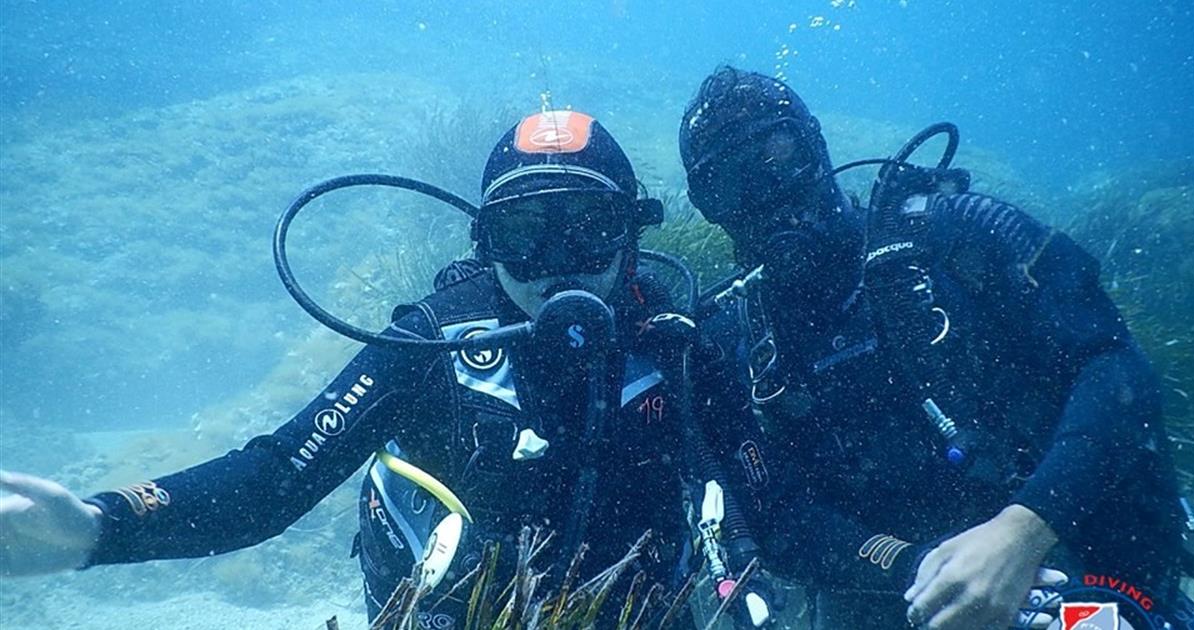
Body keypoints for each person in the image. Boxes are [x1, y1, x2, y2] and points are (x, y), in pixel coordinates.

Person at [0, 109, 742, 628]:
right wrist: (104, 525)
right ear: (485, 244)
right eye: (524, 235)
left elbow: (781, 514)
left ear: (631, 236)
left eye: (589, 230)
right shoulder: (430, 348)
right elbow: (276, 477)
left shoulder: (680, 348)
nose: (557, 268)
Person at [678, 66, 1185, 629]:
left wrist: (1023, 529)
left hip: (1071, 555)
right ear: (708, 205)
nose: (766, 194)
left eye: (776, 153)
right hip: (897, 595)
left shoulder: (962, 237)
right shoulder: (734, 338)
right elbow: (782, 518)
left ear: (815, 147)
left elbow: (1114, 369)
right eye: (730, 182)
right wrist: (919, 569)